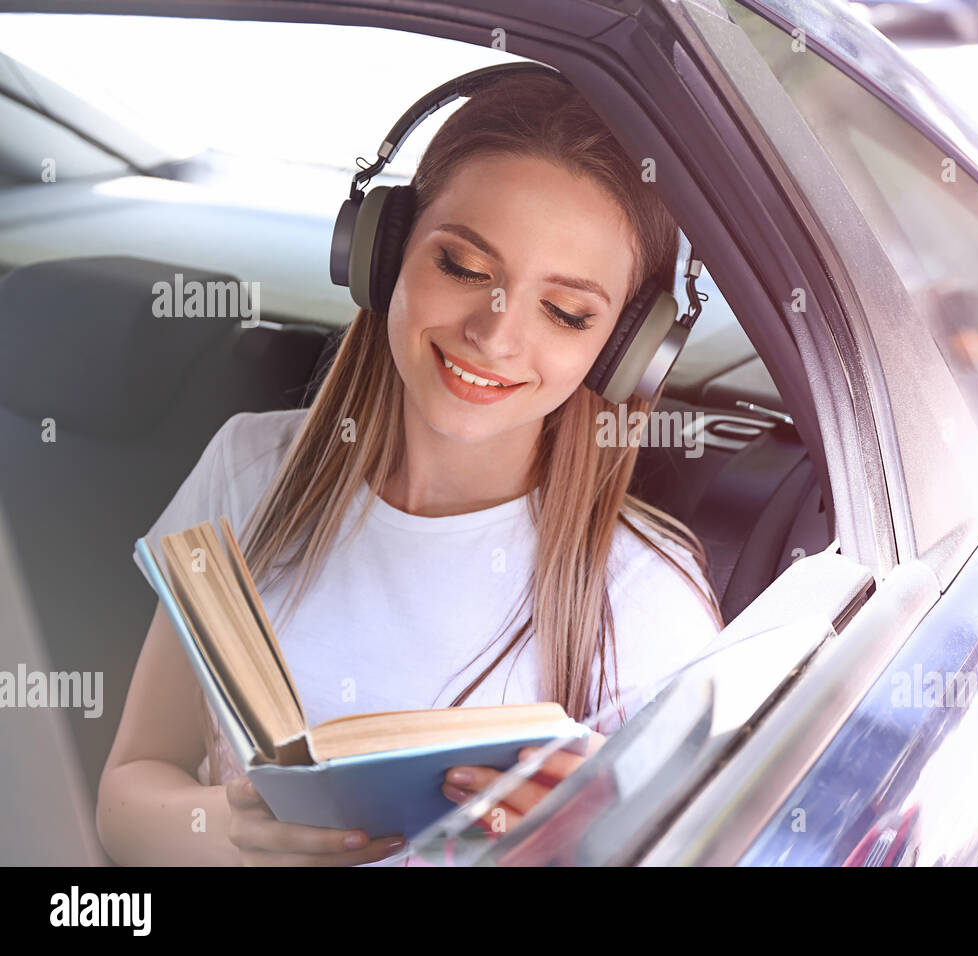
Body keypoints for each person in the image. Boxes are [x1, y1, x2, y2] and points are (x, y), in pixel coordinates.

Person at [95, 68, 724, 866]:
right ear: (381, 251)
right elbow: (127, 790)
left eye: (566, 313)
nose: (494, 337)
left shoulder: (646, 606)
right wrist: (238, 838)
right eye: (463, 267)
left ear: (628, 351)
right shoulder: (248, 469)